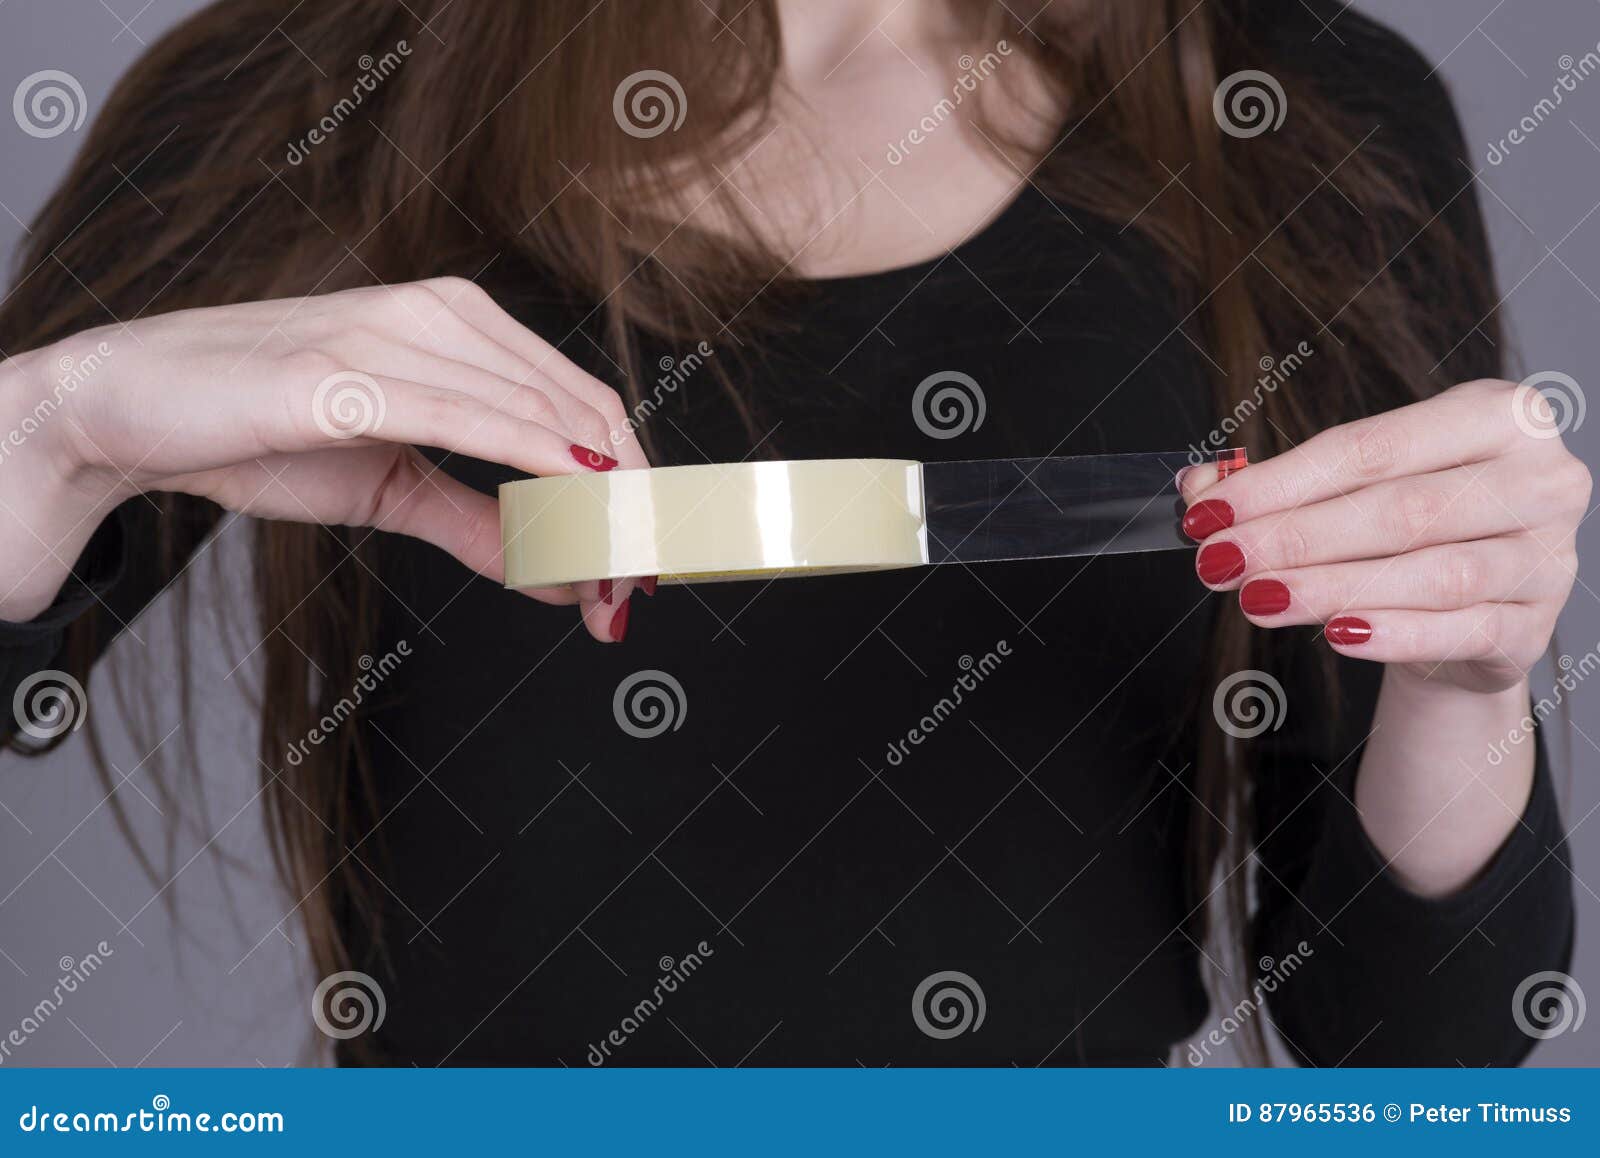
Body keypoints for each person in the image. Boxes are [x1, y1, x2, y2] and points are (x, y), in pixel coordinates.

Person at [0, 0, 1582, 1065]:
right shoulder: (316, 76)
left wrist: (1464, 681)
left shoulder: (1310, 115)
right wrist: (54, 420)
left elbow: (1420, 1040)